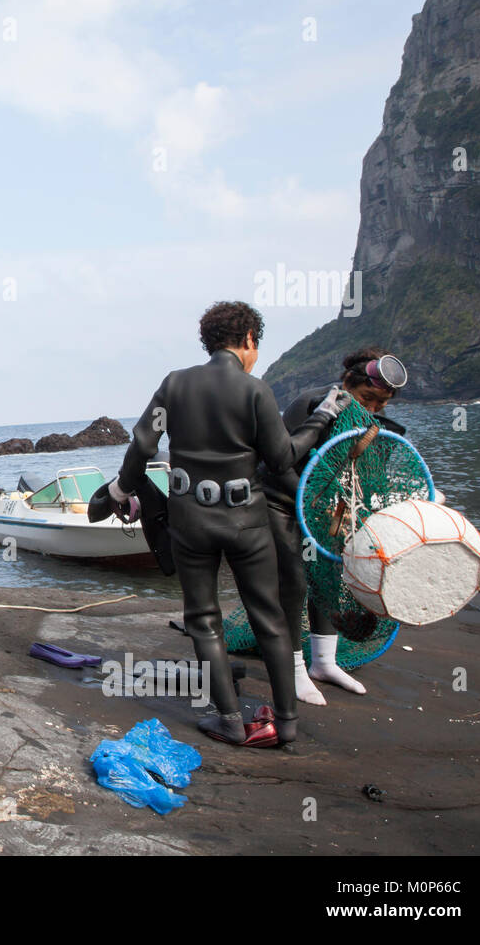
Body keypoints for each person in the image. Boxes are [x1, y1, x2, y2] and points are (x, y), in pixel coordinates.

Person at [106, 301, 349, 746]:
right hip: (247, 522)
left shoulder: (174, 384)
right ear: (249, 341)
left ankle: (230, 720)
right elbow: (281, 458)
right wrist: (322, 417)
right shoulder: (254, 390)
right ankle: (287, 724)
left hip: (191, 521)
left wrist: (122, 490)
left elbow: (143, 442)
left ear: (210, 341)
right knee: (269, 616)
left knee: (203, 619)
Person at [260, 348, 410, 704]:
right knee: (294, 581)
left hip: (330, 509)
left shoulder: (374, 424)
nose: (372, 408)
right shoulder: (311, 404)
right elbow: (277, 464)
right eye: (367, 398)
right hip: (280, 502)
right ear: (346, 383)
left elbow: (361, 478)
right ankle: (294, 669)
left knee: (332, 578)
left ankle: (324, 662)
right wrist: (308, 504)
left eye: (381, 404)